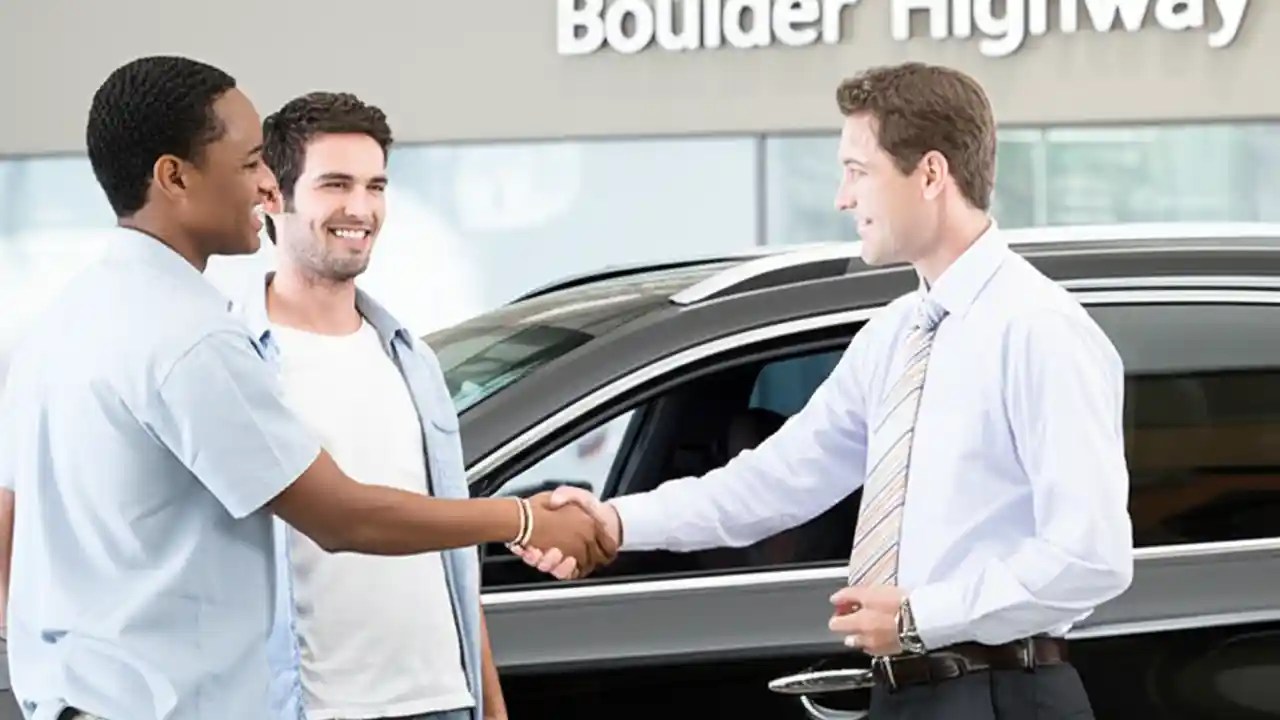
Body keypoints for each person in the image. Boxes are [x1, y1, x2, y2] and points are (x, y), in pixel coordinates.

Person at [0, 55, 612, 720]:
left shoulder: (61, 323)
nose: (266, 186)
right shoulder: (194, 340)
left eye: (376, 185)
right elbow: (343, 517)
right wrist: (522, 518)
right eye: (249, 164)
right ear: (174, 177)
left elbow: (10, 523)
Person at [518, 62, 1134, 719]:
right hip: (908, 691)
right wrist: (616, 521)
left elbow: (1091, 556)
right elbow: (778, 480)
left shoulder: (1040, 330)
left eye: (858, 171)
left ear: (930, 174)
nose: (843, 197)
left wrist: (922, 616)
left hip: (1004, 694)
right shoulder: (896, 334)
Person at [240, 91, 503, 720]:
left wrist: (490, 704)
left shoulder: (411, 358)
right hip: (315, 709)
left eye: (375, 186)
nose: (360, 209)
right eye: (335, 184)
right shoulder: (235, 360)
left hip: (444, 701)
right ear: (272, 195)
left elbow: (452, 545)